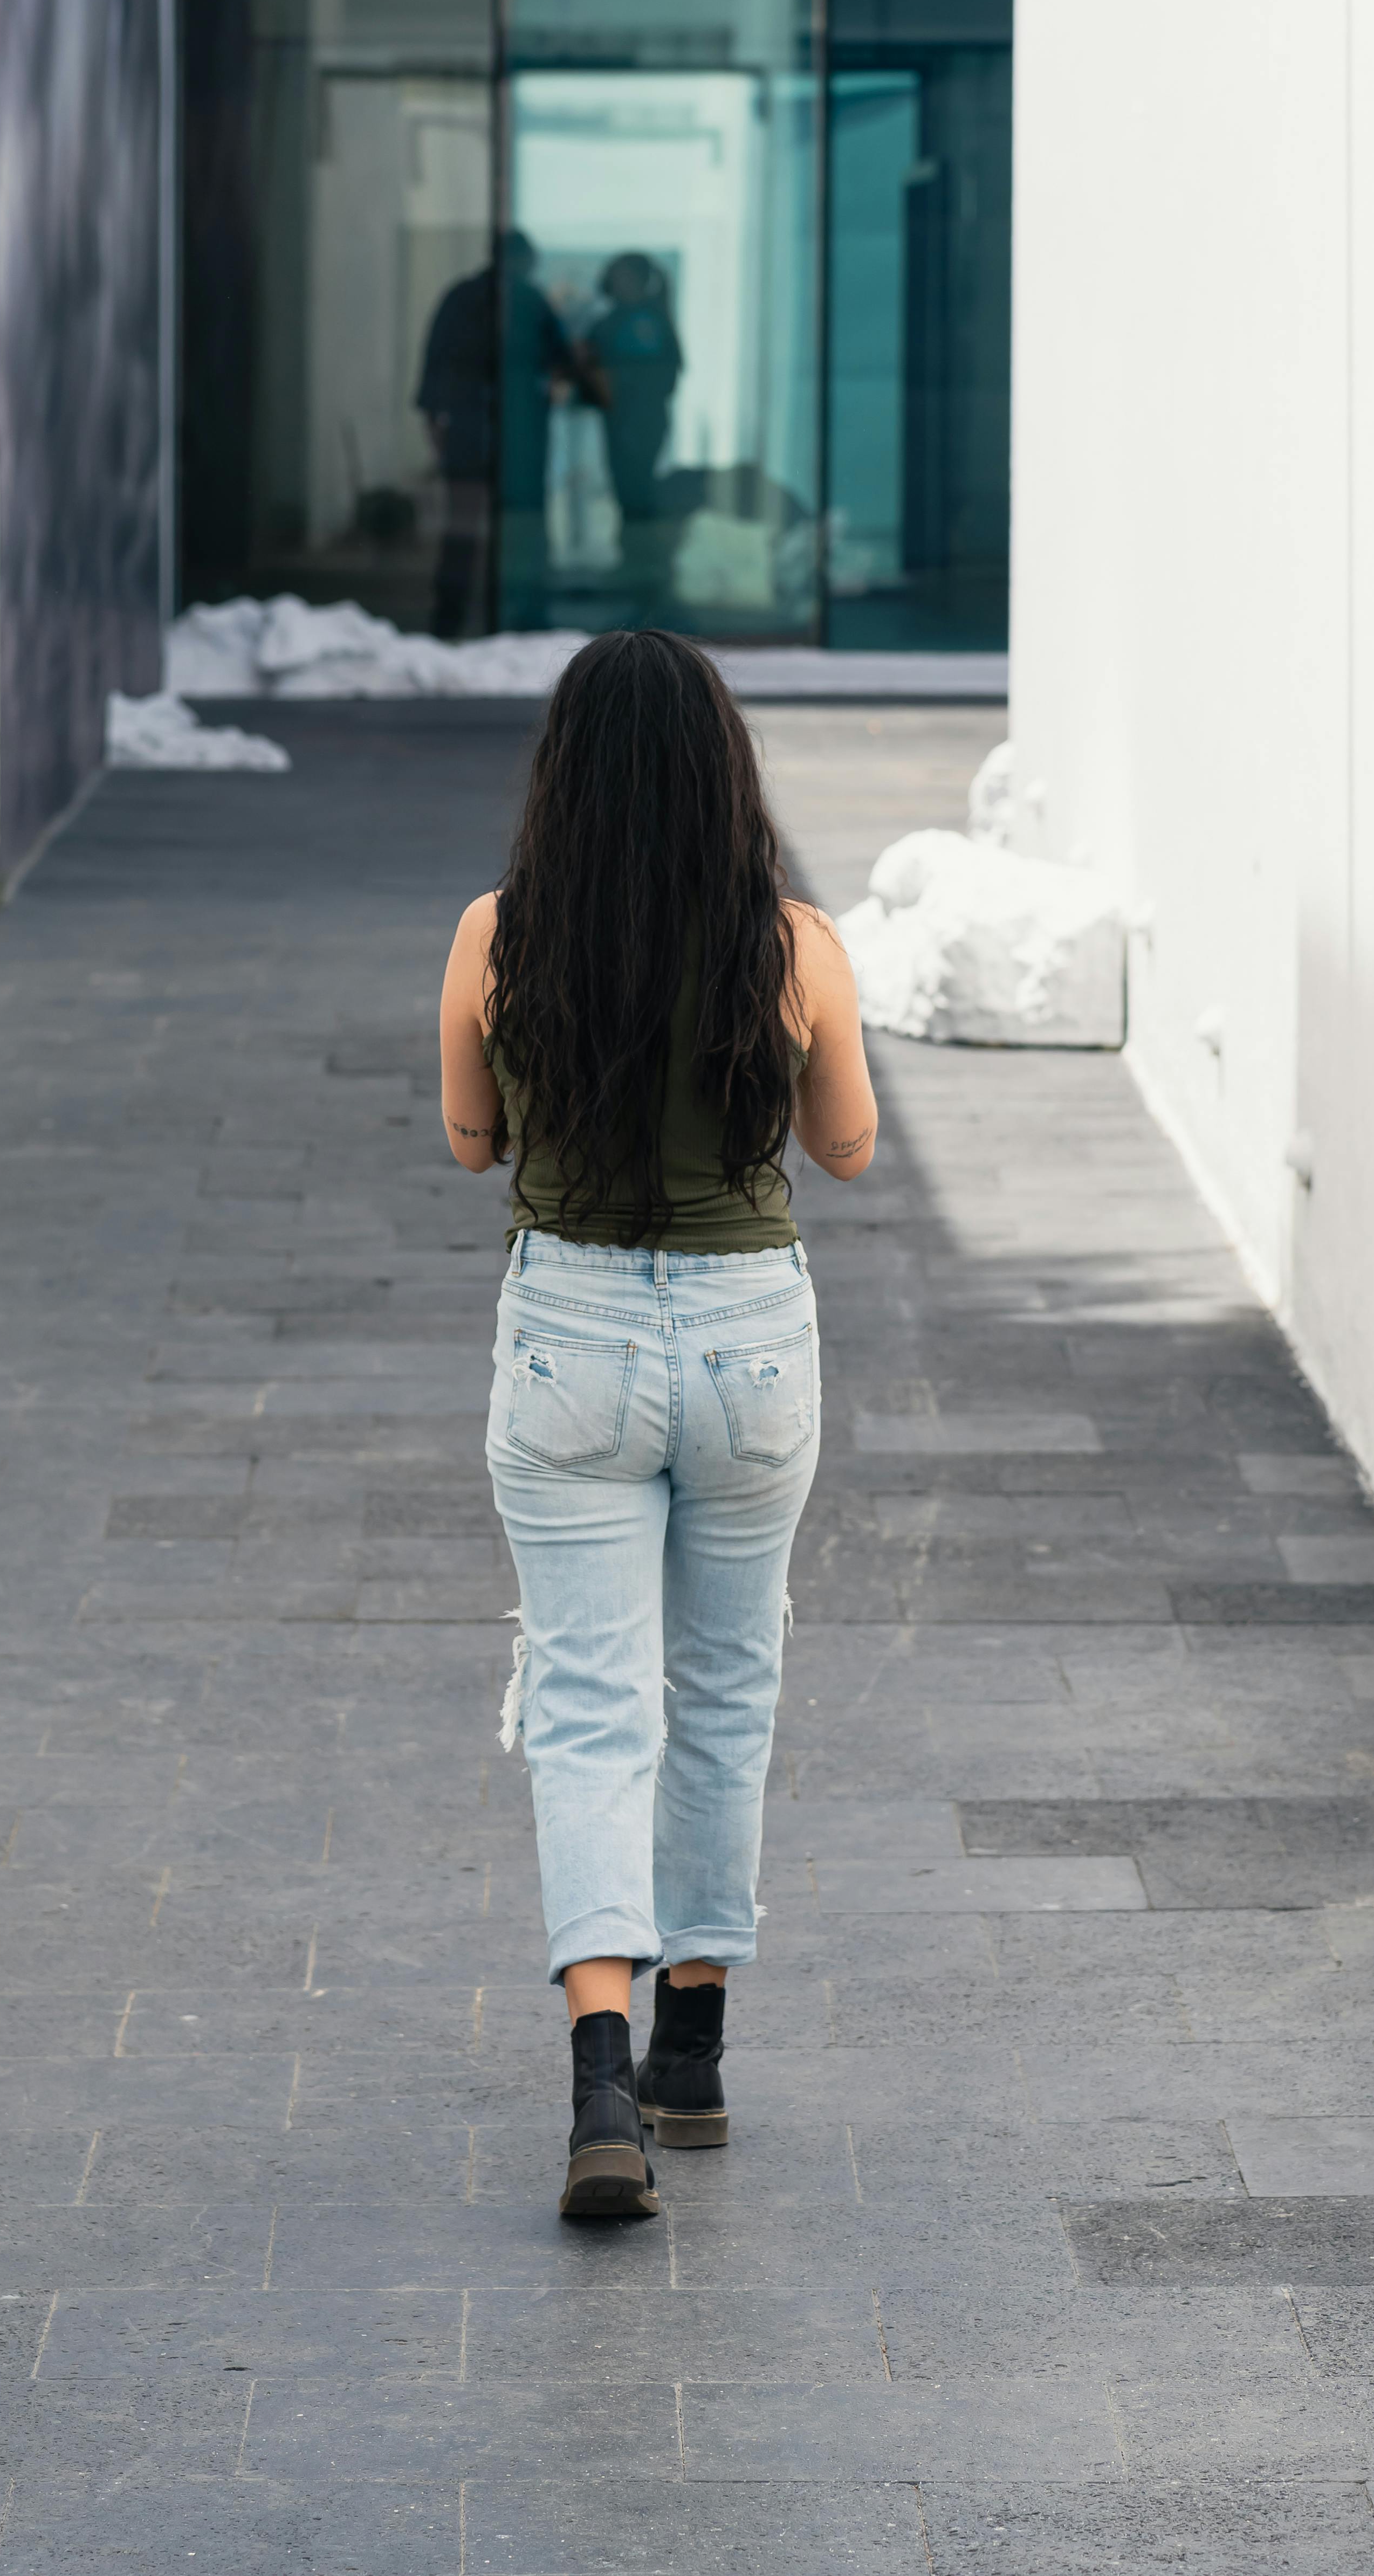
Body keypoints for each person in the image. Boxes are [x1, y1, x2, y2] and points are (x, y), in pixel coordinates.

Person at [437, 630, 879, 2220]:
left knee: (585, 1709)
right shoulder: (794, 945)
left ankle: (601, 2079)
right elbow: (845, 1152)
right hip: (749, 1339)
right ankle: (695, 2042)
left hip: (568, 1336)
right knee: (723, 1686)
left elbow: (468, 1139)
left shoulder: (499, 937)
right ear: (722, 773)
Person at [415, 231, 581, 638]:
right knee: (521, 527)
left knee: (465, 527)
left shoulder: (462, 298)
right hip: (516, 436)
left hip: (473, 430)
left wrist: (437, 424)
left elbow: (433, 369)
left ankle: (451, 620)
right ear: (524, 261)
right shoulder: (529, 300)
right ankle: (521, 618)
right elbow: (564, 363)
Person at [582, 253, 685, 619]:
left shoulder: (646, 323)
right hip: (619, 421)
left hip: (640, 421)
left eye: (627, 277)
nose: (621, 284)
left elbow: (665, 374)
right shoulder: (613, 320)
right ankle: (635, 568)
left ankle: (645, 573)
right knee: (626, 493)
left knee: (637, 495)